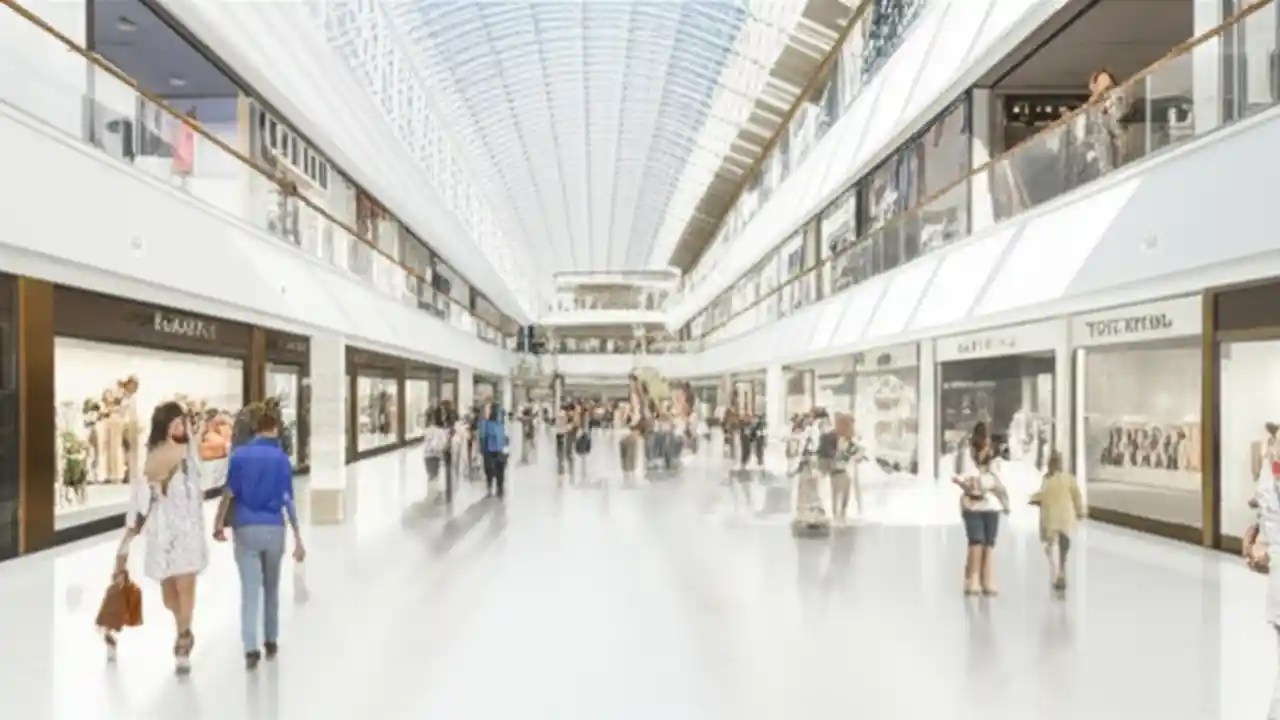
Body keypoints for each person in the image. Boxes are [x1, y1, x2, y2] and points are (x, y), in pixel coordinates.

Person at [114, 401, 209, 674]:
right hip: (162, 536)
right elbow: (139, 504)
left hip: (188, 533)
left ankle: (183, 637)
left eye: (181, 422)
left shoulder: (190, 456)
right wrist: (125, 543)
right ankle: (183, 626)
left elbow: (203, 485)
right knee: (169, 597)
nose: (180, 427)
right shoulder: (153, 458)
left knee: (186, 587)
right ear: (163, 426)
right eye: (174, 423)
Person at [212, 411, 305, 669]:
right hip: (274, 528)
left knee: (249, 590)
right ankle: (271, 641)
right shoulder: (282, 459)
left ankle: (251, 649)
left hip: (245, 528)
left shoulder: (240, 456)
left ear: (256, 428)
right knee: (271, 588)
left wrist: (218, 523)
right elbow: (288, 500)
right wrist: (298, 536)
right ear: (275, 428)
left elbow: (229, 493)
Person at [952, 424, 1010, 596]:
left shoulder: (996, 459)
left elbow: (999, 482)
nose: (987, 442)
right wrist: (973, 484)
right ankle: (973, 578)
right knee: (976, 542)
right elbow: (962, 476)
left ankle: (987, 578)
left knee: (989, 544)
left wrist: (1004, 501)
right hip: (973, 505)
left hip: (992, 505)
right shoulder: (967, 456)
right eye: (984, 438)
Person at [1030, 451, 1085, 591]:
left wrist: (1033, 499)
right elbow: (1077, 496)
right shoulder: (1066, 479)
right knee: (1060, 546)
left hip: (1055, 518)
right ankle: (1060, 573)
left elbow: (1043, 495)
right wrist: (1080, 511)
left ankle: (1058, 574)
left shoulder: (1052, 479)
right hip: (1061, 518)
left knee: (1054, 546)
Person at [479, 403, 509, 497]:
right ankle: (491, 486)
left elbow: (505, 438)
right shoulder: (486, 423)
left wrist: (506, 448)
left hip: (499, 450)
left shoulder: (501, 424)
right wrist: (482, 449)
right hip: (490, 450)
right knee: (490, 470)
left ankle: (499, 487)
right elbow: (483, 437)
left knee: (500, 469)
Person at [423, 409, 448, 486]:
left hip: (427, 455)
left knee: (430, 475)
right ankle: (433, 489)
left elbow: (426, 442)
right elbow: (444, 443)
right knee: (434, 475)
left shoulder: (427, 430)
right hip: (435, 455)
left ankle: (430, 488)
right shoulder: (440, 431)